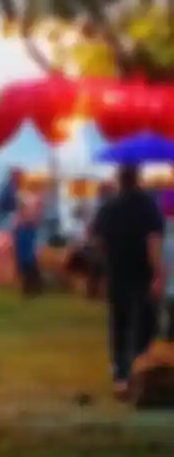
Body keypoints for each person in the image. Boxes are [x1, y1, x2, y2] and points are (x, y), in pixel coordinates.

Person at [90, 164, 167, 400]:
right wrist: (158, 273)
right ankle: (139, 372)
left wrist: (102, 272)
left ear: (119, 179)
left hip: (116, 273)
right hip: (141, 274)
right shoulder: (147, 206)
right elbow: (153, 241)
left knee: (119, 324)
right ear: (138, 178)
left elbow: (97, 242)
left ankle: (120, 377)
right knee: (144, 325)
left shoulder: (108, 206)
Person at [14, 186, 43, 296]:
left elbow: (31, 219)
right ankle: (31, 286)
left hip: (26, 231)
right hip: (25, 231)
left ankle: (30, 286)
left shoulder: (30, 204)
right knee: (27, 259)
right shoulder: (29, 204)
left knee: (27, 259)